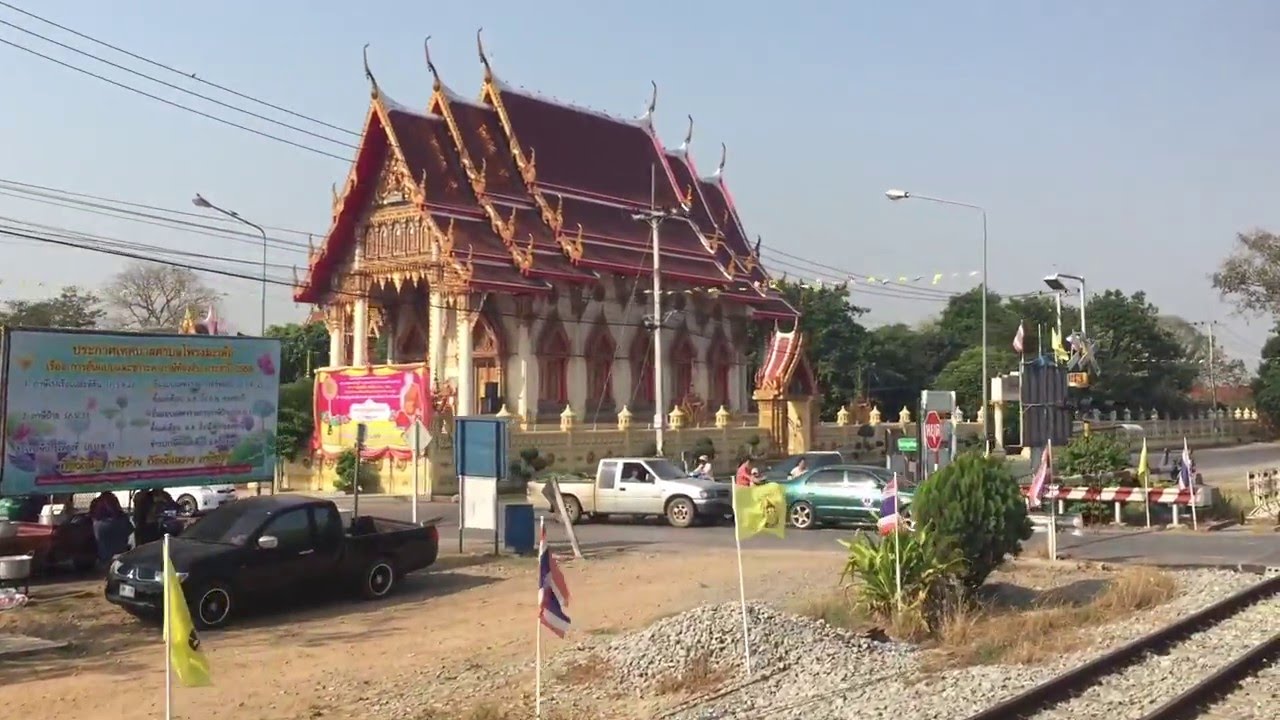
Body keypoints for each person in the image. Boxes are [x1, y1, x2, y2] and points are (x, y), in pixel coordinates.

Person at [88, 491, 132, 563]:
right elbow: (129, 532)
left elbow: (96, 539)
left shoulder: (98, 524)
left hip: (105, 558)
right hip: (122, 556)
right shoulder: (123, 519)